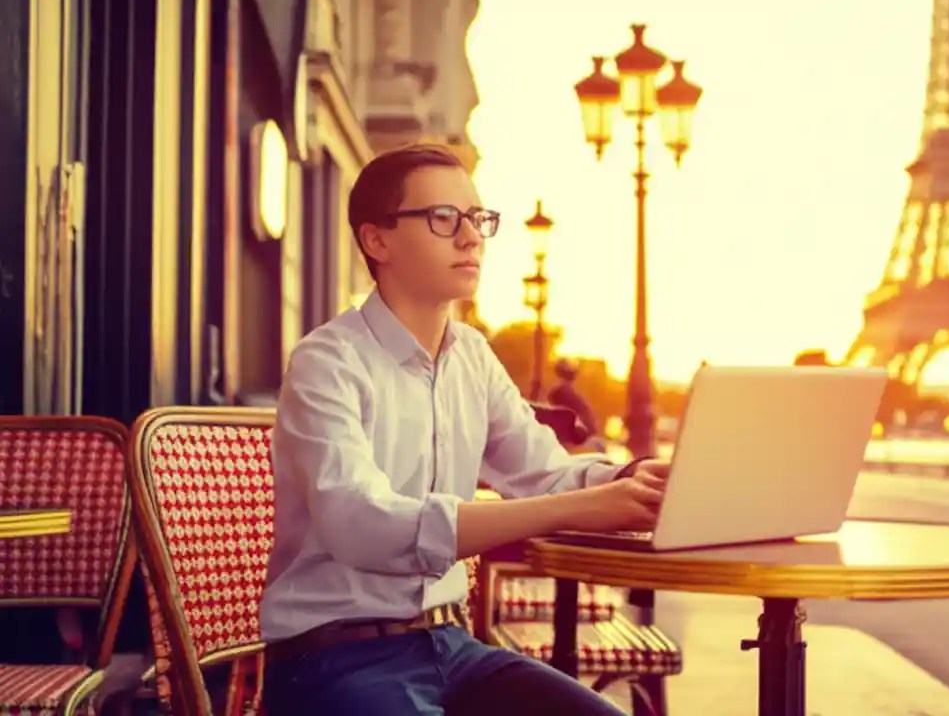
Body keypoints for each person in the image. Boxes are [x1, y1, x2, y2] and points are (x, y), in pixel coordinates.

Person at [259, 143, 669, 716]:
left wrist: (630, 478)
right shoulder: (327, 362)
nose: (471, 237)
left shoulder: (472, 356)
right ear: (377, 240)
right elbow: (360, 524)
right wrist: (578, 508)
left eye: (476, 219)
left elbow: (544, 472)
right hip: (334, 658)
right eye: (443, 218)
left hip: (452, 648)